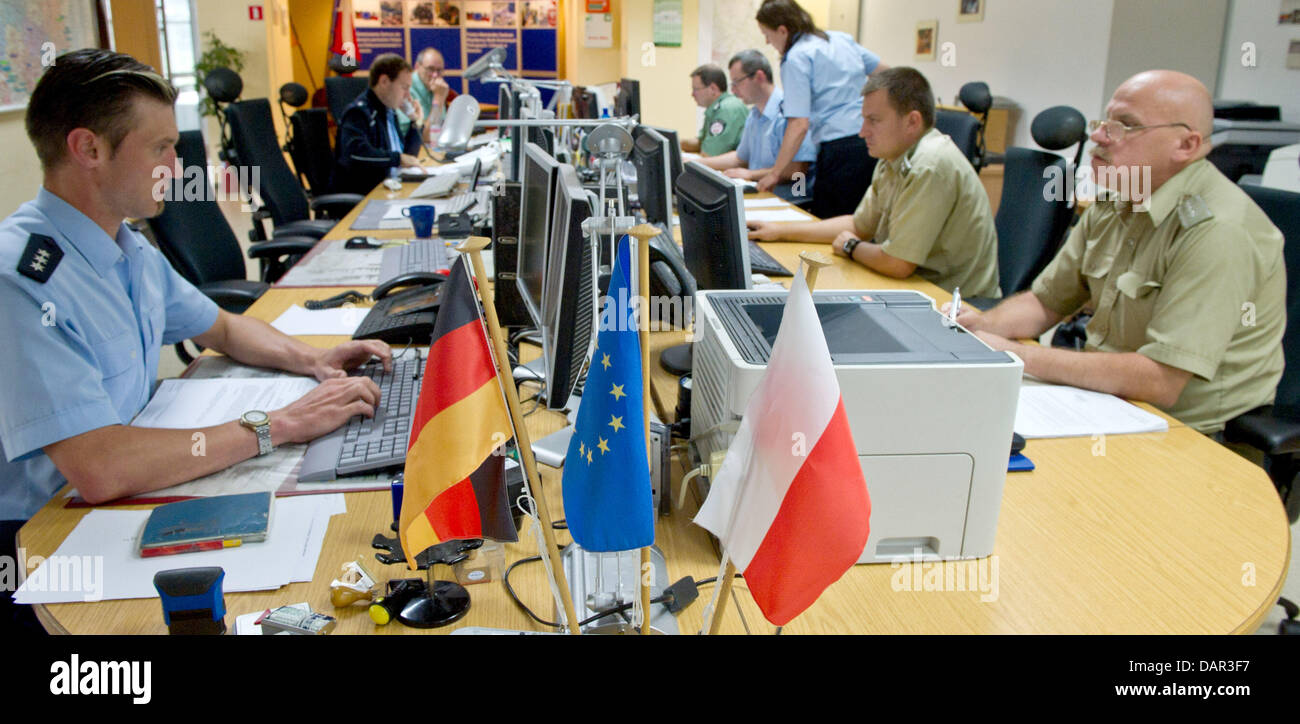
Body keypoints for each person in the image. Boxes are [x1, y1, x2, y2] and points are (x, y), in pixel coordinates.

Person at [0, 49, 390, 631]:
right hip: (51, 536)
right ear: (88, 150)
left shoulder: (126, 247)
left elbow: (225, 326)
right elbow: (100, 466)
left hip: (134, 486)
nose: (177, 168)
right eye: (160, 148)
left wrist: (313, 361)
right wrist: (277, 424)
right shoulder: (22, 281)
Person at [952, 70, 1285, 434]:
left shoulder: (1218, 229)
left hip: (1192, 433)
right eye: (1105, 120)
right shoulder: (1119, 197)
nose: (1098, 135)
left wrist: (1017, 353)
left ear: (1185, 145)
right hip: (1109, 401)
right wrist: (978, 328)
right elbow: (1047, 301)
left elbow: (1162, 379)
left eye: (1125, 125)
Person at [748, 67, 1000, 298]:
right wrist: (779, 230)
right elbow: (859, 225)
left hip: (955, 304)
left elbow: (897, 263)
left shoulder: (930, 164)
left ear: (912, 121)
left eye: (874, 120)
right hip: (917, 286)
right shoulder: (892, 158)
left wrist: (850, 246)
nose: (862, 132)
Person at [755, 0, 887, 218]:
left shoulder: (796, 58)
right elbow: (886, 74)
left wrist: (775, 174)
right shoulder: (840, 39)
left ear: (782, 30)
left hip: (838, 149)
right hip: (868, 143)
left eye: (767, 35)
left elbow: (798, 124)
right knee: (860, 220)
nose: (768, 42)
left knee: (830, 222)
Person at [697, 49, 816, 185]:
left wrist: (751, 174)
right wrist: (698, 163)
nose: (734, 90)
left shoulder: (790, 113)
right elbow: (739, 158)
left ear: (759, 77)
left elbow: (796, 170)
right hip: (760, 191)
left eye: (737, 82)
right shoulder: (754, 114)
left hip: (790, 198)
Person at [332, 53, 423, 194]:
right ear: (384, 81)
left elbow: (409, 156)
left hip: (391, 188)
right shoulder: (359, 112)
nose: (407, 95)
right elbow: (355, 154)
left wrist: (414, 121)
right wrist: (397, 159)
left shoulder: (389, 112)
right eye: (404, 87)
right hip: (365, 194)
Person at [679, 64, 748, 157]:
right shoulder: (716, 108)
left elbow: (709, 154)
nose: (692, 94)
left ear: (712, 89)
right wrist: (676, 142)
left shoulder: (726, 109)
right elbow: (701, 143)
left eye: (696, 89)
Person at [401, 47, 458, 138]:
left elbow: (441, 128)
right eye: (430, 69)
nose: (435, 75)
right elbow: (425, 137)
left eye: (439, 70)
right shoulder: (405, 89)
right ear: (417, 67)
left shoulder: (437, 88)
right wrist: (438, 99)